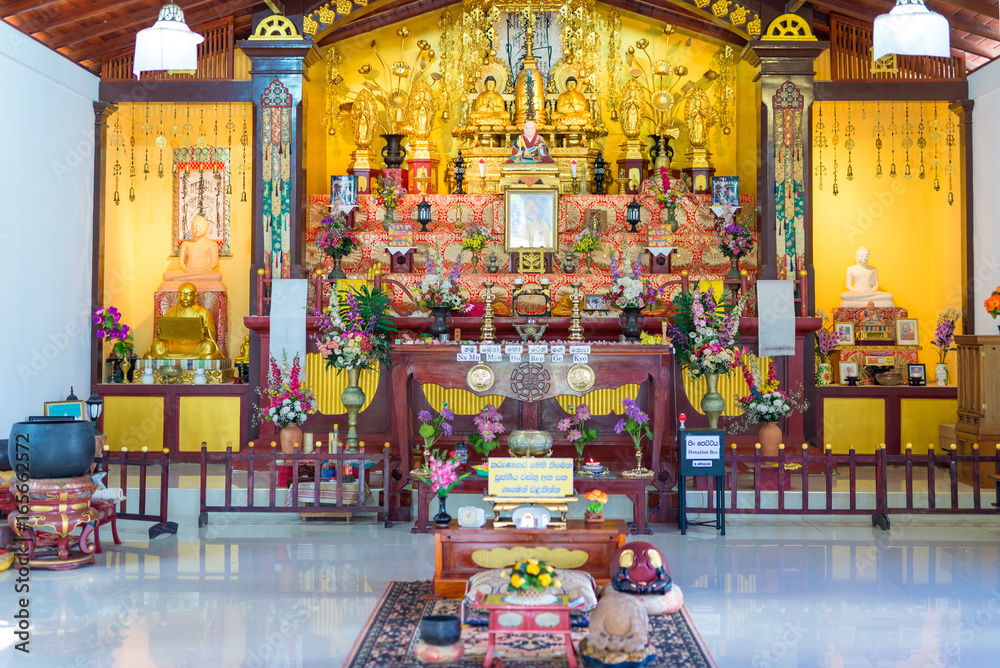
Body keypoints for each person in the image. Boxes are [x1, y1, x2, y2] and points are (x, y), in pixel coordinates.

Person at [146, 282, 225, 359]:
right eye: (182, 294)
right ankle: (194, 358)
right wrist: (160, 332)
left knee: (209, 346)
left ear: (195, 296)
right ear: (178, 295)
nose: (185, 298)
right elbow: (165, 335)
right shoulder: (171, 312)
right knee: (156, 346)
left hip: (195, 347)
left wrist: (205, 331)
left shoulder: (204, 313)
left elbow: (212, 334)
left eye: (188, 294)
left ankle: (173, 358)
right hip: (173, 347)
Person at [161, 215, 225, 290]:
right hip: (188, 271)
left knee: (217, 276)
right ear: (191, 228)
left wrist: (201, 270)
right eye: (194, 227)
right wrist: (185, 269)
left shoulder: (212, 244)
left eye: (200, 228)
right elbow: (181, 262)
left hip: (203, 272)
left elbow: (214, 263)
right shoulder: (186, 244)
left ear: (207, 229)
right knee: (166, 275)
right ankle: (190, 278)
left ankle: (188, 279)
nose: (197, 230)